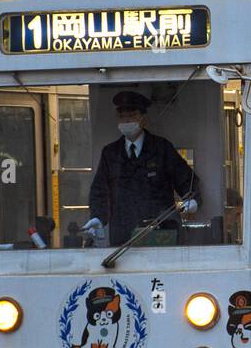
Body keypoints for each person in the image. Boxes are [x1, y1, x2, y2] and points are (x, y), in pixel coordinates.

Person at [82, 90, 200, 246]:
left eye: (131, 116)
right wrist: (98, 217)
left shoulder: (161, 148)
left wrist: (193, 200)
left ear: (143, 119)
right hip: (123, 238)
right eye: (122, 116)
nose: (126, 121)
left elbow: (187, 180)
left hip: (160, 235)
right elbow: (99, 191)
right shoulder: (110, 154)